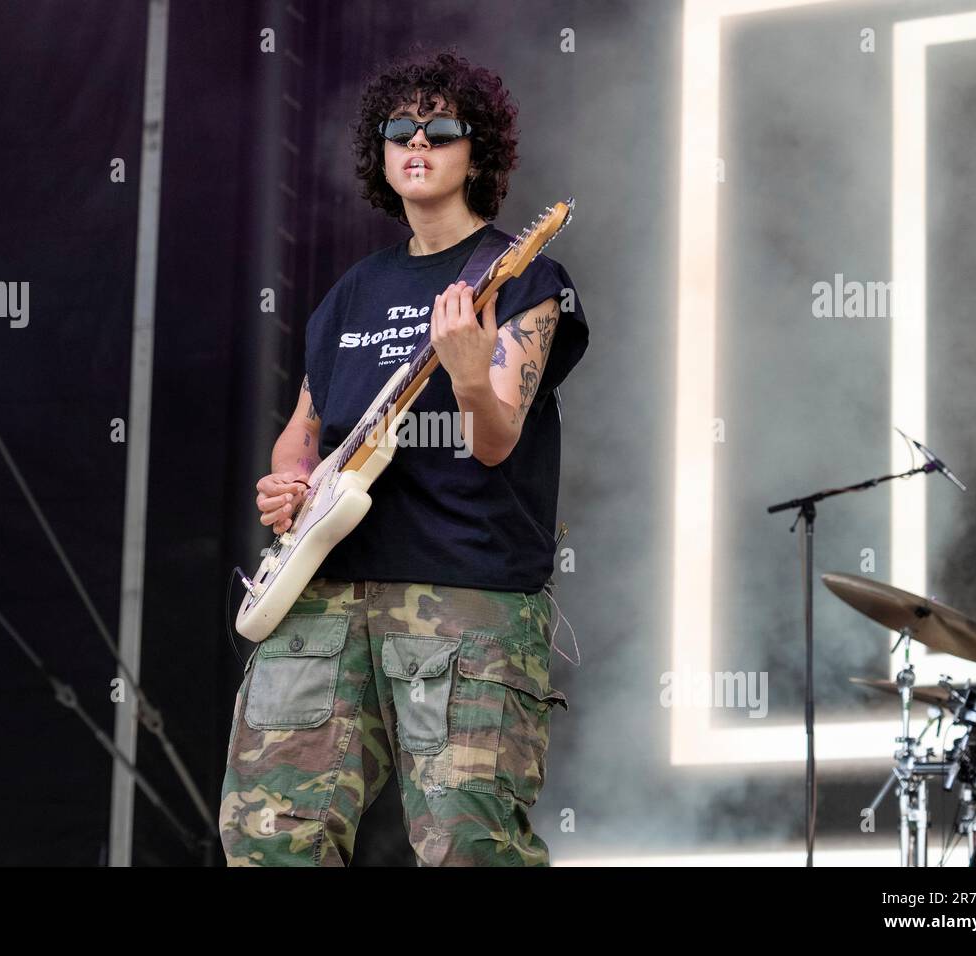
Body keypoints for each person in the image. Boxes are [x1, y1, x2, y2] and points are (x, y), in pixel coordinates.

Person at [219, 48, 588, 866]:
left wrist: (466, 371)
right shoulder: (352, 290)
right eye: (399, 129)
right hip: (325, 591)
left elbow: (495, 441)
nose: (417, 142)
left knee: (468, 844)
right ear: (380, 154)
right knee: (268, 835)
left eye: (442, 128)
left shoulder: (523, 279)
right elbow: (306, 428)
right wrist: (289, 485)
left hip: (463, 595)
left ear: (475, 152)